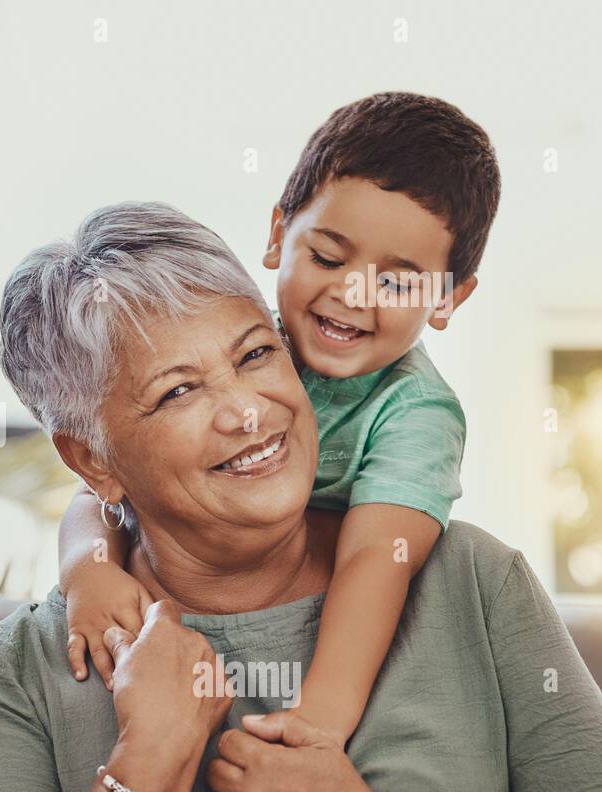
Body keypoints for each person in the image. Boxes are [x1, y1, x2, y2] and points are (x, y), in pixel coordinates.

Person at [0, 201, 602, 792]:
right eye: (178, 391)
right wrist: (149, 762)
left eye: (255, 354)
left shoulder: (477, 586)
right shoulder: (10, 681)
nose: (247, 413)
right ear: (92, 459)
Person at [58, 93, 496, 747]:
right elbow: (100, 487)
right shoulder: (234, 338)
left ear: (449, 298)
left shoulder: (416, 412)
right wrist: (88, 572)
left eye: (397, 283)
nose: (351, 295)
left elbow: (378, 558)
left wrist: (319, 720)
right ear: (276, 235)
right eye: (327, 257)